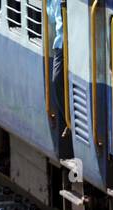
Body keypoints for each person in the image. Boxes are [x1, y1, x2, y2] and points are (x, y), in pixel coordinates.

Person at [47, 0, 66, 133]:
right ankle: (67, 121)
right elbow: (52, 17)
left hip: (77, 42)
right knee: (57, 80)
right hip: (61, 45)